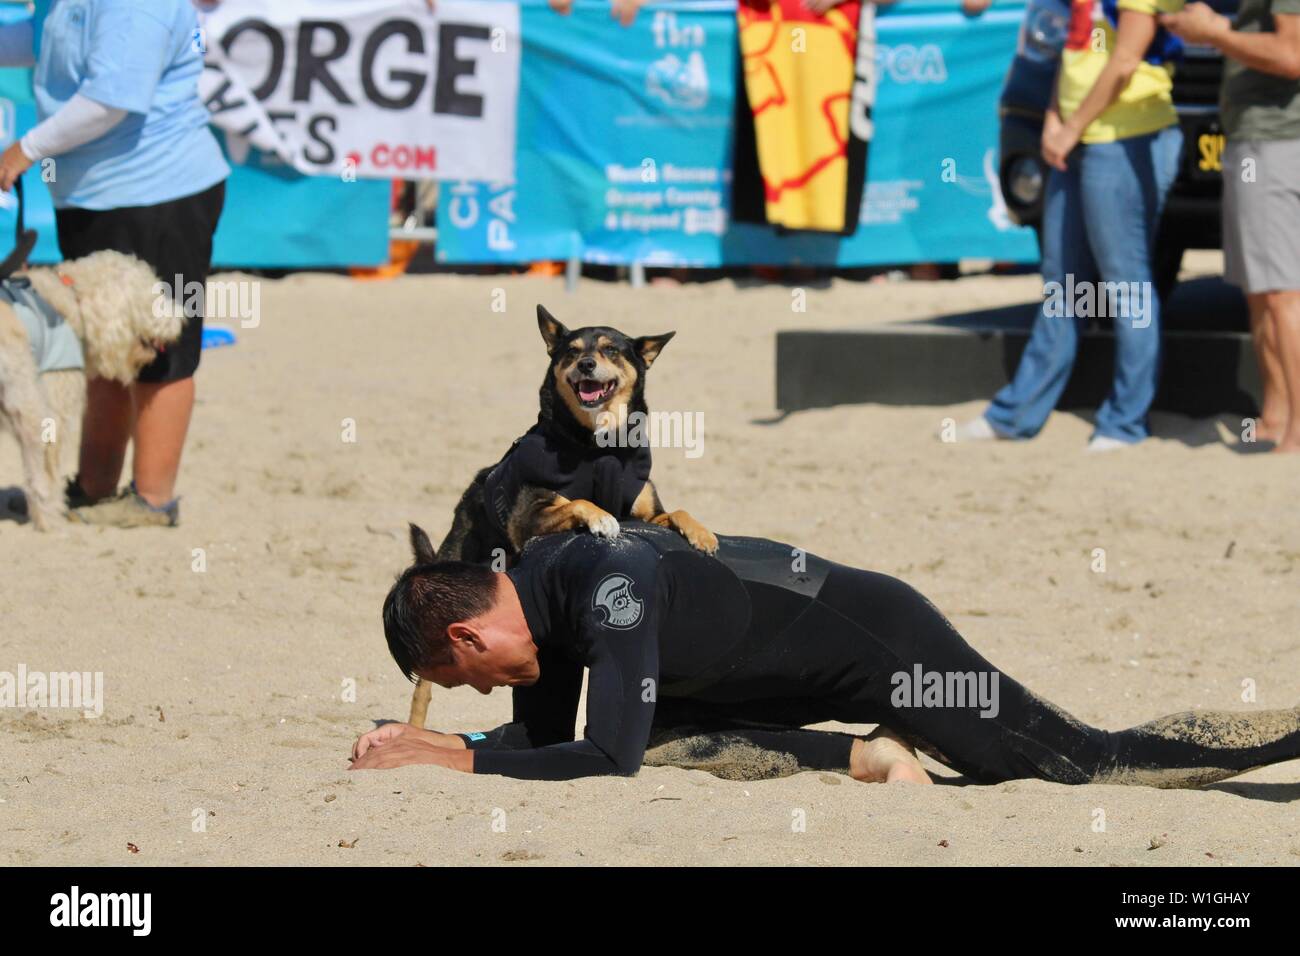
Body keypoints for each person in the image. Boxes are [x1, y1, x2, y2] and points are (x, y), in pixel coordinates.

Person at [351, 522, 1300, 786]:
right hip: (769, 665)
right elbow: (544, 741)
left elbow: (607, 759)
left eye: (456, 677)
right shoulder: (538, 601)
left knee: (1077, 762)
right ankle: (869, 755)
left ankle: (1275, 745)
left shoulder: (606, 586)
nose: (474, 689)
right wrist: (459, 745)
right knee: (668, 728)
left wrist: (456, 753)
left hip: (879, 639)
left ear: (471, 636)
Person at [0, 0, 229, 527]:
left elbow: (112, 99)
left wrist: (25, 149)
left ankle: (151, 501)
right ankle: (95, 489)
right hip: (92, 195)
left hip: (162, 192)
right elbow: (30, 43)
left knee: (163, 345)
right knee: (98, 345)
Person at [956, 0, 1187, 451]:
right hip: (1076, 139)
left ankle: (1125, 421)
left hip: (1124, 139)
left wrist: (1073, 124)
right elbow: (1075, 49)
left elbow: (1126, 58)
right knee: (1064, 285)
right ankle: (1016, 414)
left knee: (1127, 285)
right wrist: (1054, 117)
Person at [1161, 1, 1300, 452]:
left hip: (1276, 143)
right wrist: (1216, 25)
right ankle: (1276, 417)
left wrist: (1215, 34)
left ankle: (1298, 427)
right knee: (1259, 291)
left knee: (1282, 293)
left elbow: (1291, 54)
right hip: (1251, 140)